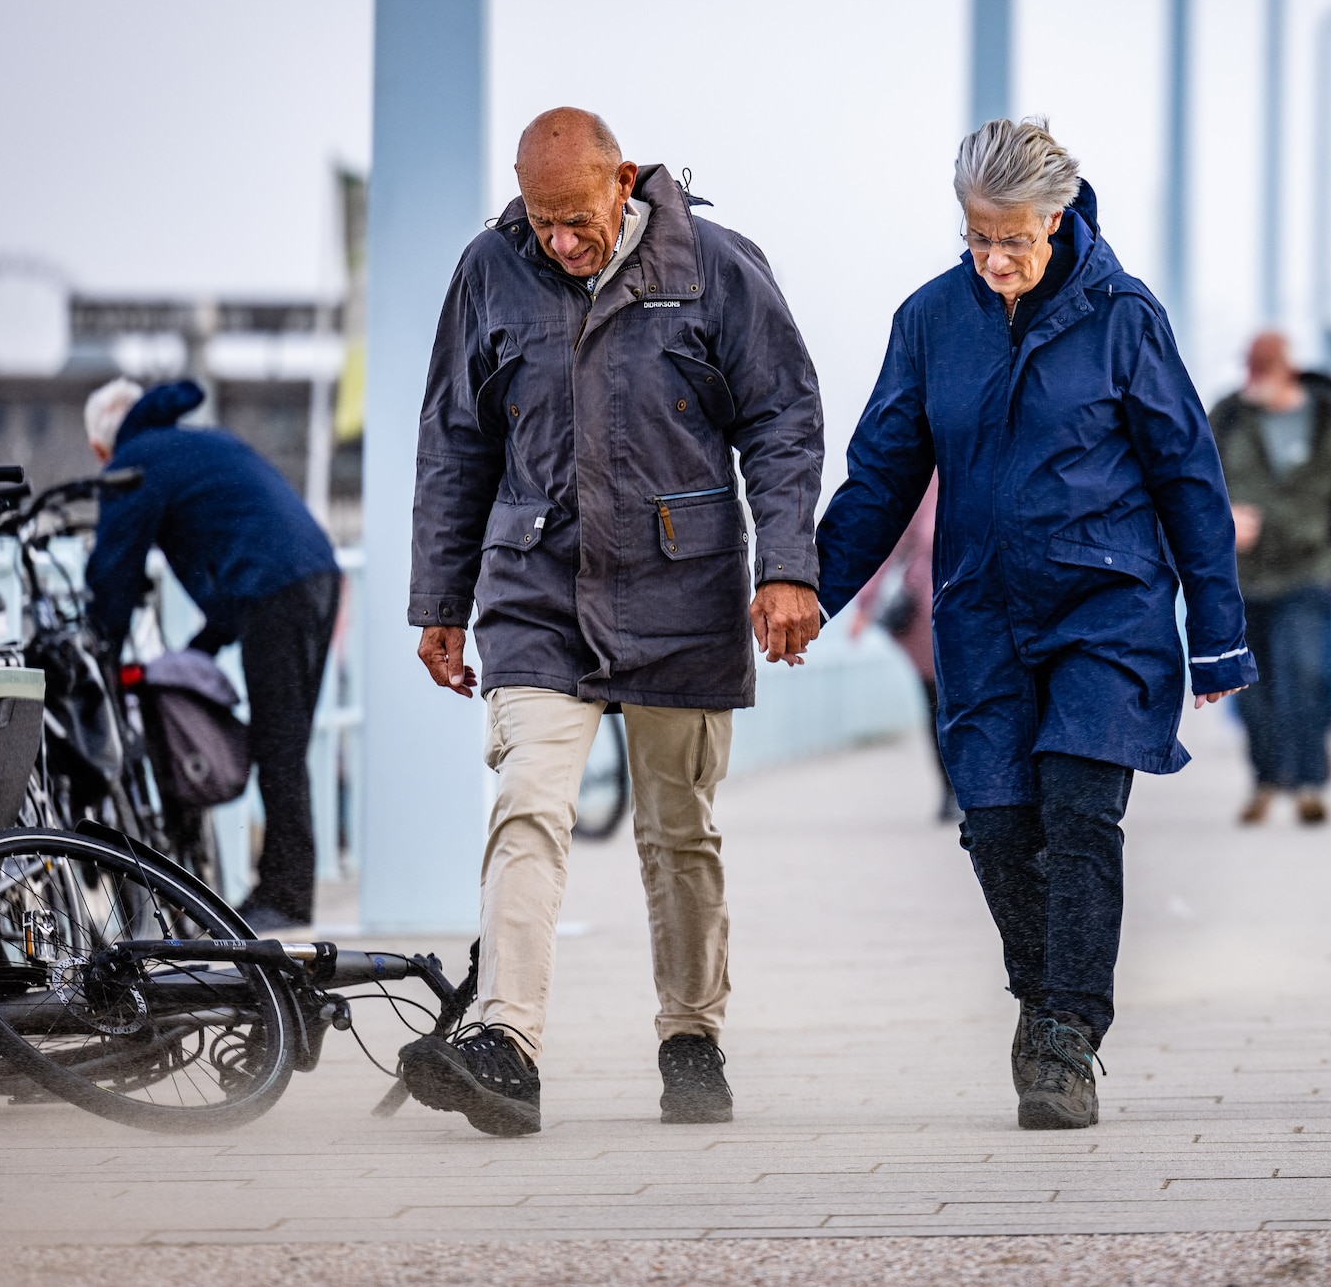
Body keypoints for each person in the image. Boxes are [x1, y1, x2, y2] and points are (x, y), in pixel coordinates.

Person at [816, 117, 1254, 1131]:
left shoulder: (1123, 317)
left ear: (1056, 218)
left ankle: (1066, 1035)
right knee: (999, 824)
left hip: (1109, 607)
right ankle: (1043, 995)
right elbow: (882, 475)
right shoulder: (932, 321)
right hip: (980, 610)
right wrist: (809, 588)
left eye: (1014, 239)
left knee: (1079, 809)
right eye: (978, 238)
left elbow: (1189, 477)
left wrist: (1217, 632)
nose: (995, 260)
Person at [400, 109, 824, 1137]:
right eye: (540, 220)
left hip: (683, 588)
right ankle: (505, 1044)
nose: (559, 241)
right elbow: (454, 440)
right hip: (536, 587)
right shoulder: (489, 271)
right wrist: (440, 601)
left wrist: (786, 569)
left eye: (576, 219)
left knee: (679, 831)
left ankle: (692, 1037)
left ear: (622, 180)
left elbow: (782, 419)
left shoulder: (715, 265)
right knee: (527, 808)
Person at [83, 377, 341, 931]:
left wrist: (99, 656)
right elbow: (239, 531)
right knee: (286, 741)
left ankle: (285, 898)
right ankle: (282, 890)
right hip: (316, 572)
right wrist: (200, 647)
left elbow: (113, 574)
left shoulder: (132, 465)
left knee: (279, 743)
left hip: (276, 588)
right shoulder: (196, 443)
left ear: (99, 449)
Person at [1210, 333, 1331, 825]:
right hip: (1243, 576)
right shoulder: (1227, 418)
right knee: (1252, 687)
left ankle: (1309, 781)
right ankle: (1266, 778)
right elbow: (1191, 484)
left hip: (1309, 569)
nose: (1252, 379)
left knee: (1306, 673)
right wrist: (1221, 517)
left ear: (1286, 369)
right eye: (1248, 367)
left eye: (1262, 368)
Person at [850, 473, 957, 822]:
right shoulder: (924, 480)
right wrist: (864, 605)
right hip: (928, 621)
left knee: (974, 708)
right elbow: (890, 545)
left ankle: (983, 794)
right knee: (938, 708)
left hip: (981, 620)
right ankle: (950, 790)